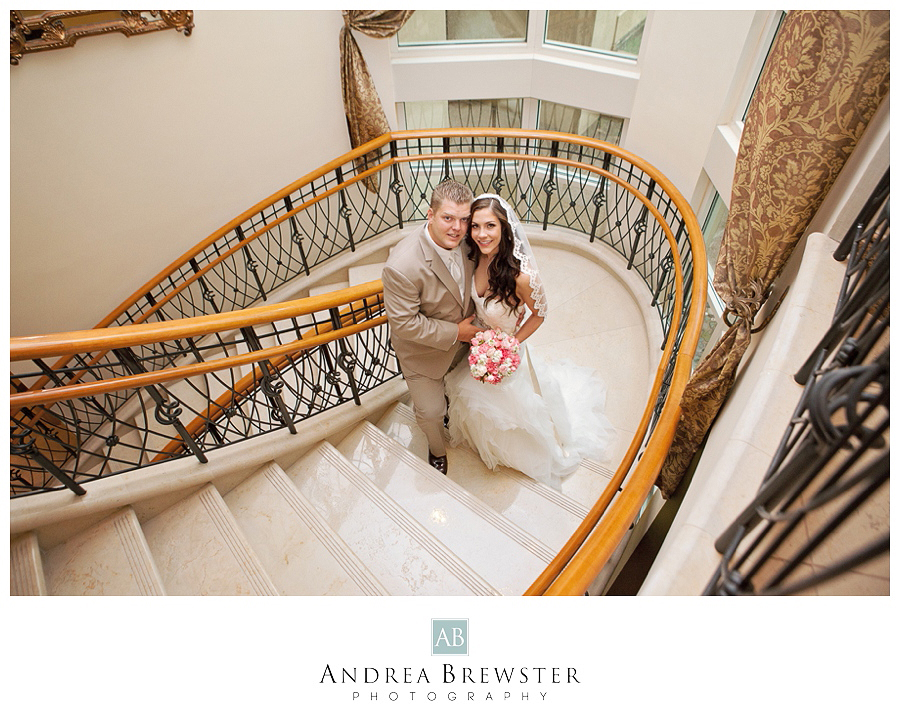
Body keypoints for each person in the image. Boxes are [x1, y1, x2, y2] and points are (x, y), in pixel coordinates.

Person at [444, 193, 615, 488]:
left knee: (515, 412)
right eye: (475, 226)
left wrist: (511, 344)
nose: (482, 234)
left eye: (490, 226)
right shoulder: (472, 260)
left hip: (508, 352)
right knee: (475, 403)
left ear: (504, 228)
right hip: (480, 350)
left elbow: (540, 313)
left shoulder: (523, 277)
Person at [381, 179, 481, 474]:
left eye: (464, 220)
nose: (457, 228)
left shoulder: (469, 243)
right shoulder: (402, 266)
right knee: (431, 413)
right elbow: (405, 325)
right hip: (423, 354)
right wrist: (457, 333)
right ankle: (437, 450)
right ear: (430, 214)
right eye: (448, 218)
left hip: (464, 343)